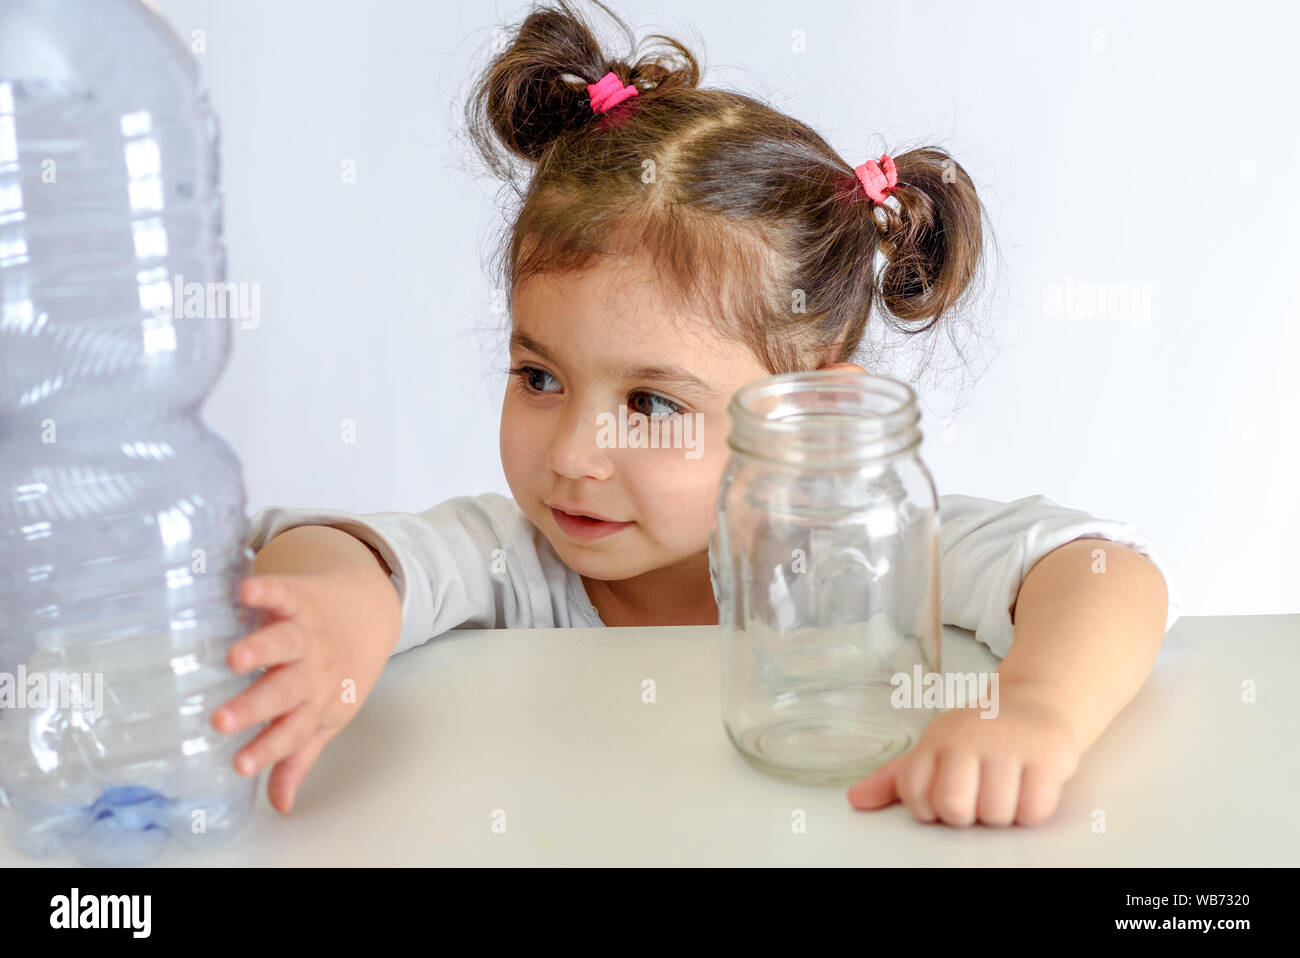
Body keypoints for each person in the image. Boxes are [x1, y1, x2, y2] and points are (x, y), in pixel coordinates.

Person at [215, 0, 1179, 828]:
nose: (576, 456)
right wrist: (335, 617)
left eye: (649, 402)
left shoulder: (862, 552)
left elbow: (1104, 574)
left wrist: (1037, 711)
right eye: (539, 378)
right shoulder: (516, 563)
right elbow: (341, 554)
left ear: (815, 407)